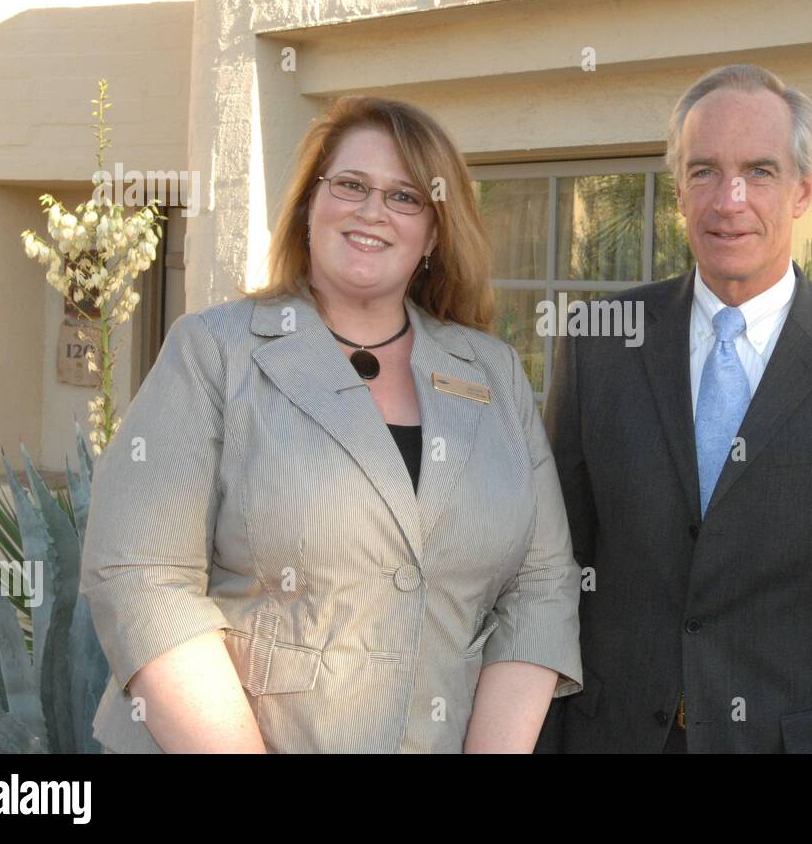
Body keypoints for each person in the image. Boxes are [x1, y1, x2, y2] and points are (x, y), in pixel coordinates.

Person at [81, 96, 582, 753]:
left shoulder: (494, 372)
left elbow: (541, 586)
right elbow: (141, 576)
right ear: (309, 206)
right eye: (350, 184)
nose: (371, 210)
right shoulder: (214, 352)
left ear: (434, 233)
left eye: (405, 196)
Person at [536, 64, 812, 753]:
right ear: (678, 191)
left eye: (759, 171)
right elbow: (552, 574)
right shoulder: (598, 344)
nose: (730, 199)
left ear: (802, 190)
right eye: (704, 171)